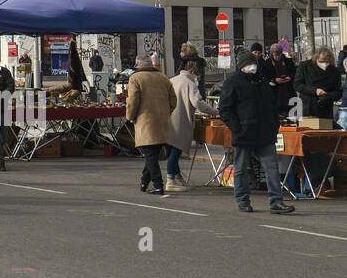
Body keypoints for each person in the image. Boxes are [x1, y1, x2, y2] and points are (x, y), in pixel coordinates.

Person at [219, 51, 295, 214]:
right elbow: (225, 109)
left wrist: (274, 125)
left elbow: (272, 105)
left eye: (253, 64)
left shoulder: (263, 82)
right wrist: (237, 127)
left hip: (265, 133)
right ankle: (243, 200)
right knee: (241, 169)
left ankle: (276, 202)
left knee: (272, 168)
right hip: (244, 133)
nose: (252, 67)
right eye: (248, 65)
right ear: (241, 66)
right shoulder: (233, 82)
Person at [122, 53, 176, 195]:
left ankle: (158, 186)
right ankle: (144, 182)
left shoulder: (135, 78)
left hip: (145, 121)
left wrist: (130, 116)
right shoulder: (163, 78)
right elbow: (173, 99)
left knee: (150, 154)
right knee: (152, 153)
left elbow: (133, 100)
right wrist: (166, 112)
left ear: (138, 65)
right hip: (163, 121)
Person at [163, 59, 217, 192]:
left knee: (171, 150)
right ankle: (170, 180)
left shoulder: (172, 80)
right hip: (180, 121)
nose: (198, 78)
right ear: (193, 72)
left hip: (168, 119)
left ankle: (177, 177)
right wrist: (215, 111)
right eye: (198, 75)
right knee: (175, 152)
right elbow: (198, 103)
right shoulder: (190, 83)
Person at [294, 47, 342, 121]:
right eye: (322, 61)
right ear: (316, 58)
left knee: (325, 131)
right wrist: (315, 90)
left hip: (325, 109)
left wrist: (328, 96)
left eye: (327, 62)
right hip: (307, 107)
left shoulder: (334, 71)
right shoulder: (304, 66)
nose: (325, 64)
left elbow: (338, 92)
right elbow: (297, 85)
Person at [260, 43, 297, 120]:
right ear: (272, 54)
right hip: (275, 93)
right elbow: (264, 77)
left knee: (290, 116)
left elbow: (294, 73)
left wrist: (289, 77)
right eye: (275, 55)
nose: (277, 57)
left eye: (279, 54)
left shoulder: (288, 61)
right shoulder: (267, 63)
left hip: (288, 92)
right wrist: (274, 80)